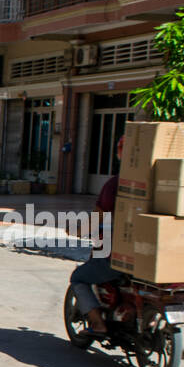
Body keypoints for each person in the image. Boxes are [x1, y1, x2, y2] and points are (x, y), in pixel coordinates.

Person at [69, 135, 123, 335]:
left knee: (78, 278)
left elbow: (97, 218)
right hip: (152, 266)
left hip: (114, 257)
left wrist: (76, 230)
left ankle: (98, 324)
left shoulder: (115, 185)